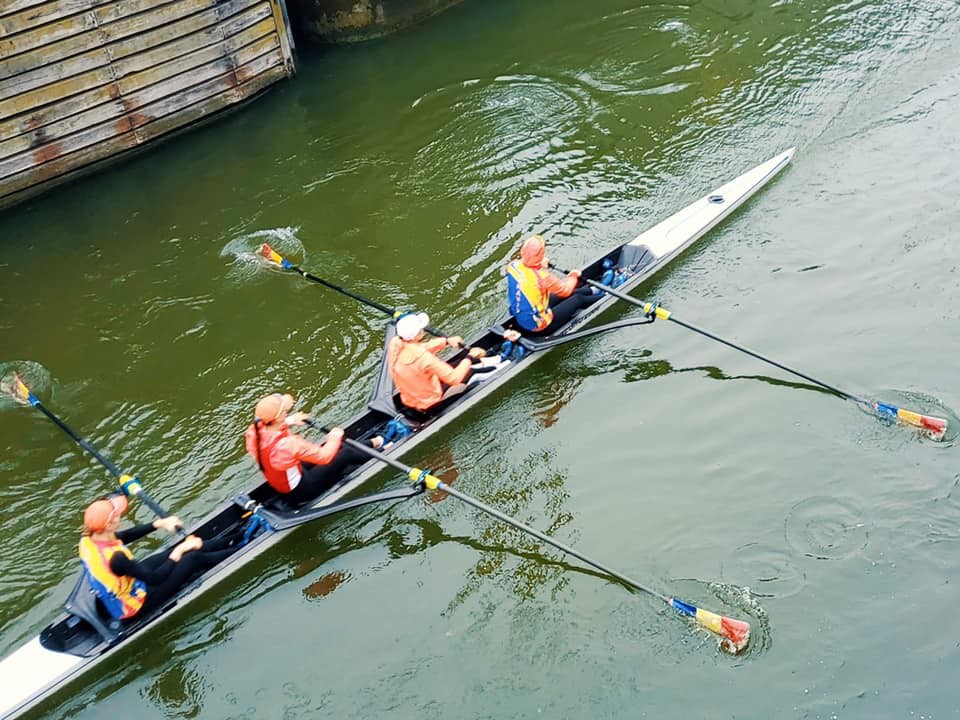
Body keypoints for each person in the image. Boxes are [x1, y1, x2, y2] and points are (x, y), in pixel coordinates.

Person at [78, 494, 234, 621]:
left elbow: (125, 535)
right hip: (136, 604)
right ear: (109, 525)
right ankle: (240, 547)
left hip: (126, 586)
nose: (121, 515)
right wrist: (181, 549)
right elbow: (156, 578)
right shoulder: (117, 559)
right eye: (117, 515)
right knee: (192, 558)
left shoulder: (88, 539)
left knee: (177, 552)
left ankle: (233, 539)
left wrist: (160, 523)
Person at [244, 392, 381, 505]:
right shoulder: (288, 445)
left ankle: (375, 442)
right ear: (278, 417)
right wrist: (334, 436)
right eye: (284, 411)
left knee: (339, 446)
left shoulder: (253, 433)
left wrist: (290, 420)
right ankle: (383, 451)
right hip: (302, 490)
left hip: (285, 483)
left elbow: (272, 428)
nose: (287, 411)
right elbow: (324, 457)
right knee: (345, 453)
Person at [387, 312, 486, 417]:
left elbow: (422, 348)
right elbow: (454, 378)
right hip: (432, 405)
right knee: (472, 372)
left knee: (460, 363)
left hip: (413, 402)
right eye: (421, 329)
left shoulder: (396, 346)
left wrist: (446, 341)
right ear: (418, 334)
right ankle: (502, 361)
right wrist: (470, 357)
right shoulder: (423, 357)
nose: (423, 329)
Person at [505, 234, 601, 334]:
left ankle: (592, 290)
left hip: (521, 318)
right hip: (539, 326)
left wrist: (538, 263)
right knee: (577, 299)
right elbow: (565, 291)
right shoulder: (543, 278)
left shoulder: (512, 266)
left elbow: (526, 265)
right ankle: (605, 295)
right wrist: (573, 276)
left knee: (566, 293)